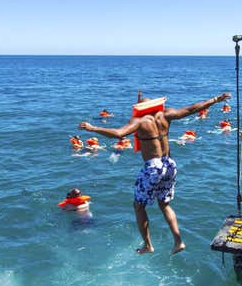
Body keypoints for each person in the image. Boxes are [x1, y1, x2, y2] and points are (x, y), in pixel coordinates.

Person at [79, 91, 231, 254]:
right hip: (170, 164)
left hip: (154, 166)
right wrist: (216, 99)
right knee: (164, 204)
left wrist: (93, 128)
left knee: (138, 206)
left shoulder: (140, 120)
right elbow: (191, 109)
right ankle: (178, 241)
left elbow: (119, 133)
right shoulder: (165, 114)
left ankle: (147, 245)